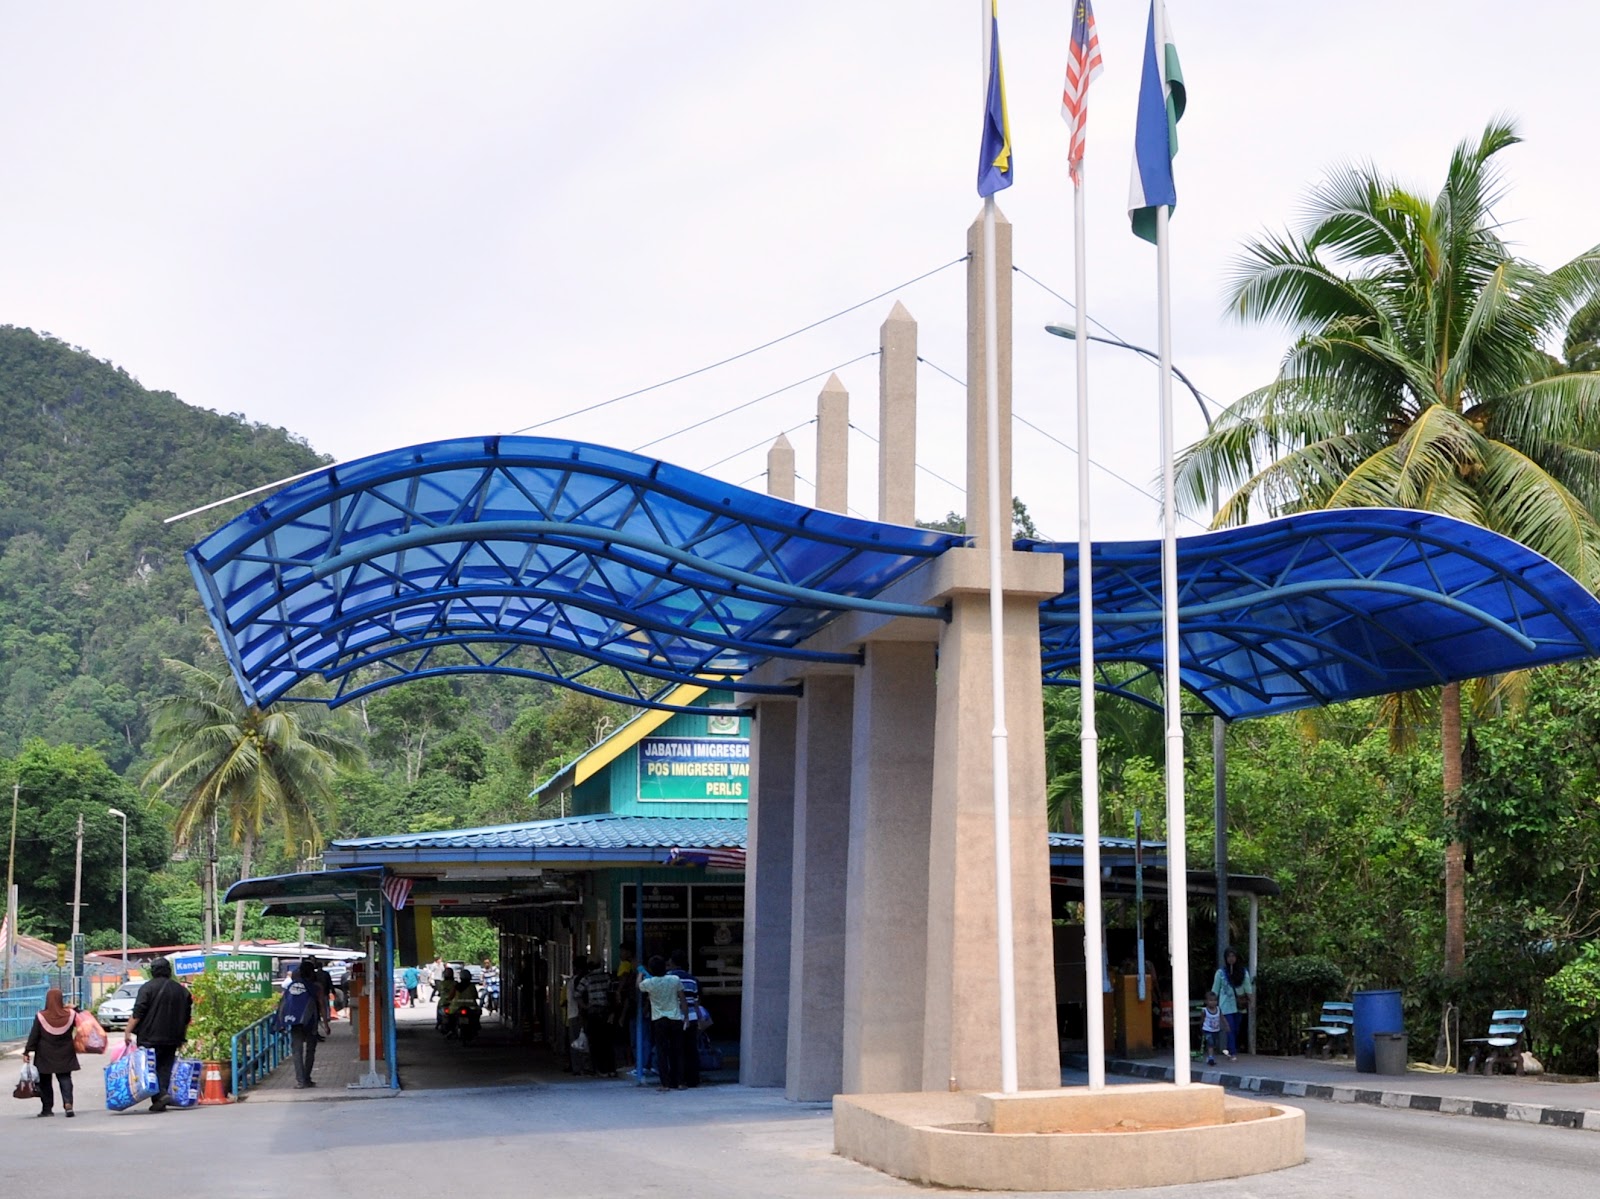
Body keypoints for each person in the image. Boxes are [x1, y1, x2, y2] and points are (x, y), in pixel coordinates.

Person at [124, 957, 193, 1113]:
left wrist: (128, 1031)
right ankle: (159, 1100)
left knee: (149, 1068)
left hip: (149, 1036)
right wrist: (182, 1036)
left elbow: (138, 1012)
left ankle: (160, 1095)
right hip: (173, 1036)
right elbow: (186, 1018)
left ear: (153, 971)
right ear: (169, 971)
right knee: (165, 1067)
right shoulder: (182, 991)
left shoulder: (147, 988)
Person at [22, 988, 79, 1118]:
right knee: (65, 1078)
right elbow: (84, 1019)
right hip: (65, 1052)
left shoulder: (41, 1016)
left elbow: (34, 1035)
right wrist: (76, 1008)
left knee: (45, 1081)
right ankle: (68, 1103)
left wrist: (27, 1051)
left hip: (45, 1054)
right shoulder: (70, 1015)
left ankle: (47, 1109)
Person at [636, 955, 684, 1091]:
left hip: (659, 1020)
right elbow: (682, 998)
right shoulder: (675, 979)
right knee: (677, 1051)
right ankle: (680, 1082)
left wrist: (640, 973)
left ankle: (665, 1084)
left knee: (662, 1052)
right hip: (675, 1018)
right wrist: (685, 1016)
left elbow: (638, 985)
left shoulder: (650, 983)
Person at [277, 960, 326, 1088]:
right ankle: (307, 1078)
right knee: (310, 1050)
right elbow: (321, 1005)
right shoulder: (316, 987)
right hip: (311, 1021)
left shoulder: (291, 986)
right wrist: (326, 1024)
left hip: (295, 1021)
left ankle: (300, 1081)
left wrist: (280, 1022)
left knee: (297, 1050)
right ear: (312, 972)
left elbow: (284, 1003)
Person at [576, 957, 617, 1077]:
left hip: (593, 1012)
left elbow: (577, 994)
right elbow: (613, 994)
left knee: (596, 1042)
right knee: (608, 1042)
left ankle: (601, 1069)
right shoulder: (607, 977)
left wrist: (585, 1006)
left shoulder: (587, 978)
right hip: (606, 1011)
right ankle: (611, 1069)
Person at [1210, 947, 1253, 1060]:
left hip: (1239, 1005)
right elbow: (1215, 990)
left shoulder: (1243, 972)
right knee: (1230, 1028)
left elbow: (1248, 987)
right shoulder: (1221, 973)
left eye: (1233, 956)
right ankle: (1232, 1053)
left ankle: (1231, 1048)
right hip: (1226, 1005)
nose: (1231, 958)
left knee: (1236, 1029)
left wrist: (1251, 1001)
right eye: (1229, 956)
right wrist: (1212, 1004)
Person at [667, 950, 701, 1088]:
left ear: (673, 962)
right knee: (691, 1049)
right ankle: (692, 1079)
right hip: (692, 1017)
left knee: (675, 1049)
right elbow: (696, 1001)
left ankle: (676, 1079)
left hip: (675, 1017)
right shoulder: (692, 979)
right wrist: (699, 1018)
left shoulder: (668, 977)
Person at [1200, 990, 1224, 1066]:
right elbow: (1202, 1019)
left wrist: (1226, 1026)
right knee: (1210, 1043)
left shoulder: (1218, 1009)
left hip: (1216, 1030)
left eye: (1215, 1000)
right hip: (1207, 1030)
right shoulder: (1204, 1011)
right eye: (1211, 1000)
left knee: (1214, 1044)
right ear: (1206, 1001)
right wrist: (1201, 1027)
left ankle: (1210, 1055)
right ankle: (1210, 1057)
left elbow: (1222, 1018)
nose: (1213, 1002)